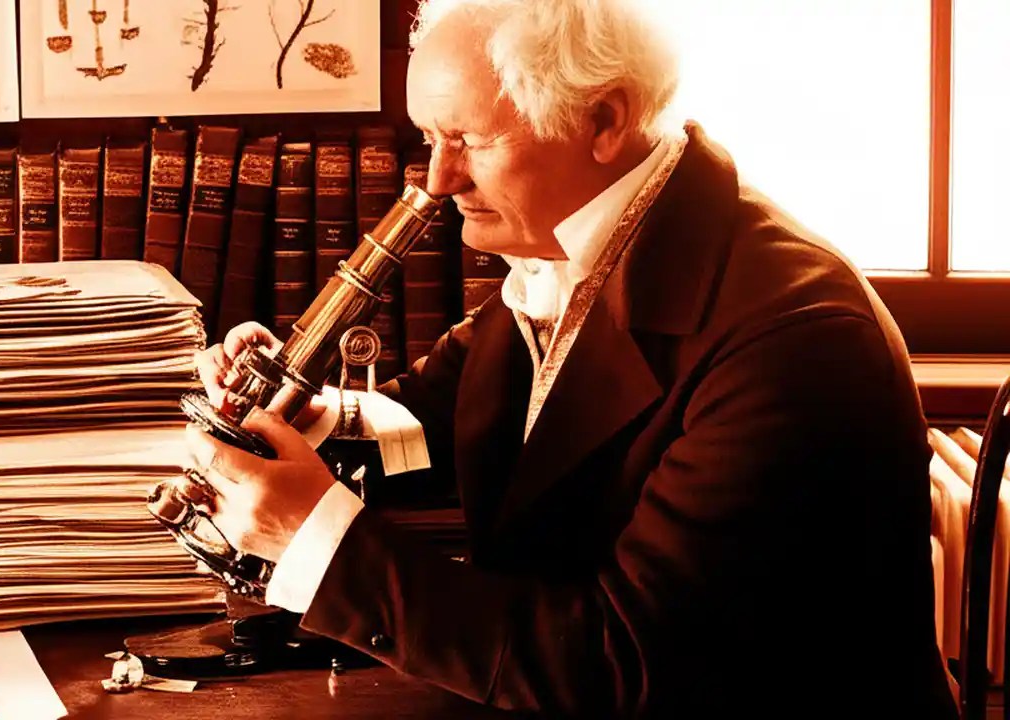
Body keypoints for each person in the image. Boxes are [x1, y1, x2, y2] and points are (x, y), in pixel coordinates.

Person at [183, 0, 958, 716]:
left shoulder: (794, 338)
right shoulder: (574, 252)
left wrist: (313, 537)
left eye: (468, 140)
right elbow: (431, 422)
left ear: (605, 119)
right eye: (430, 138)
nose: (438, 178)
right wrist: (307, 418)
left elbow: (630, 662)